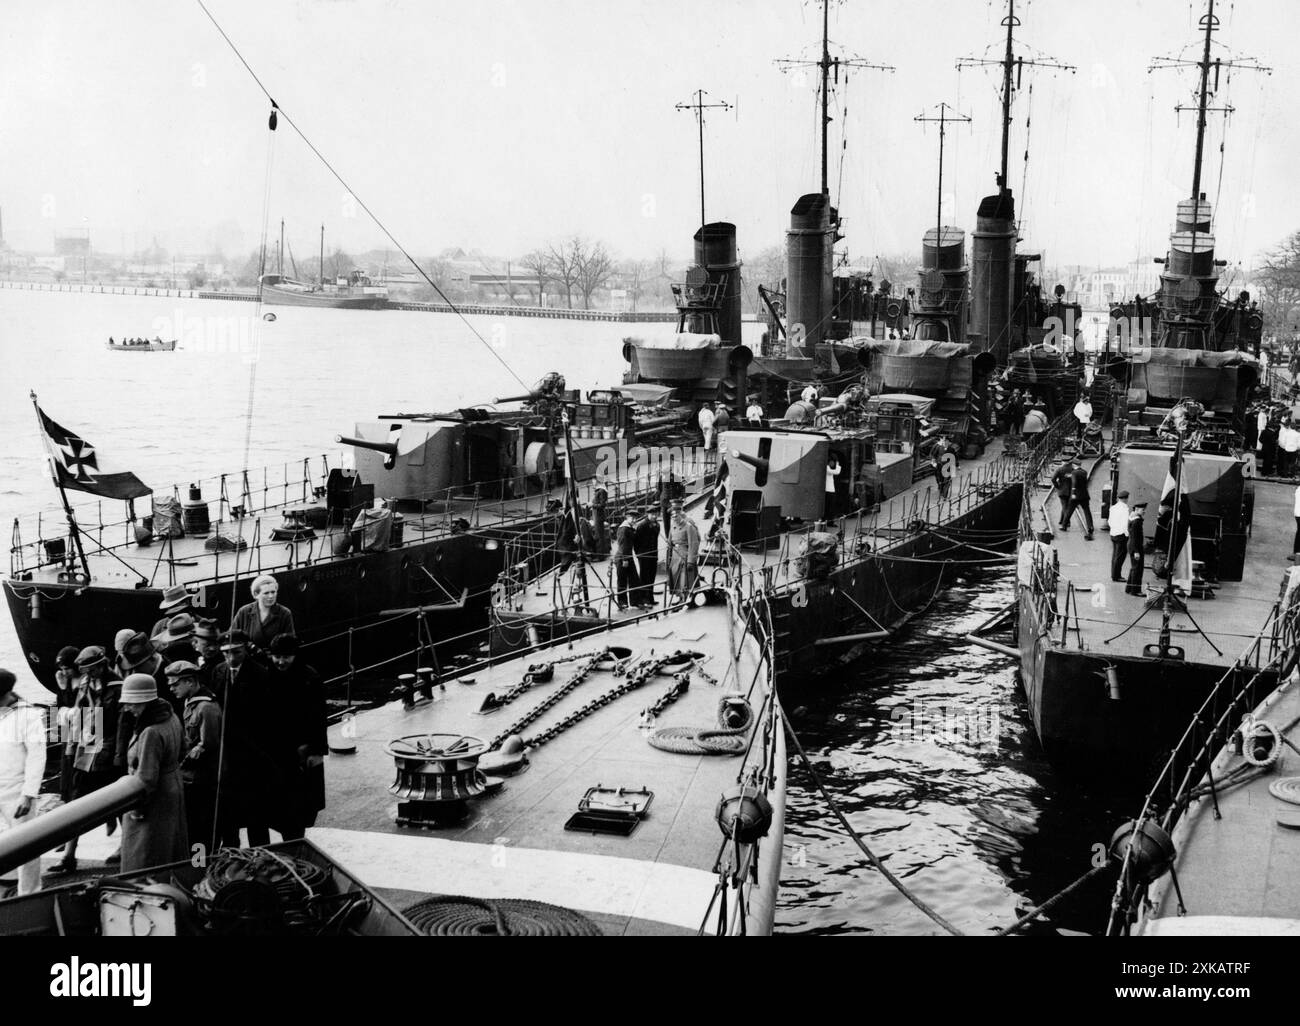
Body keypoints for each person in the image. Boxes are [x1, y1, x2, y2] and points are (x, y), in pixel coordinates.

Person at [48, 646, 123, 875]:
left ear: (102, 665)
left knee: (119, 802)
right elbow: (75, 713)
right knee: (76, 801)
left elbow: (123, 724)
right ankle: (69, 856)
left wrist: (120, 755)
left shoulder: (118, 688)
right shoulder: (85, 685)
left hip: (109, 750)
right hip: (87, 747)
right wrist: (70, 746)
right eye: (85, 671)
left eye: (92, 670)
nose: (88, 675)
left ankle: (123, 847)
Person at [119, 672, 188, 873]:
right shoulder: (171, 716)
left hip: (154, 800)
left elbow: (147, 779)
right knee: (170, 849)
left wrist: (136, 808)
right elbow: (184, 748)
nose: (128, 708)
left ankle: (146, 892)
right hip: (172, 788)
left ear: (145, 702)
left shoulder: (149, 731)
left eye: (132, 703)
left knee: (144, 856)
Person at [267, 636, 327, 834]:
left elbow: (319, 718)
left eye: (286, 657)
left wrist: (316, 750)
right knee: (283, 806)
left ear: (295, 655)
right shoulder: (268, 675)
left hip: (303, 750)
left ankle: (295, 838)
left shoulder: (310, 678)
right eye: (276, 657)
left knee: (302, 806)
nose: (281, 662)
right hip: (278, 750)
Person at [0, 668, 48, 896]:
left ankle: (29, 894)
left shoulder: (28, 715)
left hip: (17, 790)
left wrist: (29, 794)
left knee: (26, 847)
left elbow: (37, 755)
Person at [231, 574, 296, 652]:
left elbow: (289, 642)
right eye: (266, 593)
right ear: (256, 594)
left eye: (273, 592)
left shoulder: (285, 613)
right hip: (249, 658)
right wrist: (251, 646)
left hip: (274, 659)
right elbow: (232, 636)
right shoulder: (244, 612)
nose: (271, 596)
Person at [666, 502, 700, 602]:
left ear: (680, 514)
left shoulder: (688, 526)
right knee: (675, 576)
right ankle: (680, 597)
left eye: (676, 515)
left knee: (685, 579)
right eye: (672, 516)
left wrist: (690, 561)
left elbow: (694, 544)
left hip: (684, 555)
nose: (674, 517)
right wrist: (669, 558)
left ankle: (686, 599)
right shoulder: (672, 526)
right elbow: (669, 543)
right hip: (675, 556)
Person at [632, 510, 660, 608]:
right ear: (648, 514)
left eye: (656, 514)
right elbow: (636, 542)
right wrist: (639, 554)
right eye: (652, 514)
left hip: (653, 555)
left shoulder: (657, 525)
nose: (654, 516)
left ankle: (650, 598)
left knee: (652, 577)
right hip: (644, 555)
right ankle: (644, 599)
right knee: (644, 577)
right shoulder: (642, 525)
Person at [612, 512, 640, 611]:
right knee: (622, 580)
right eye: (632, 518)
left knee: (634, 579)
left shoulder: (629, 527)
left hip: (628, 556)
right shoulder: (623, 529)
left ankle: (634, 601)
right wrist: (625, 559)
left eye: (635, 518)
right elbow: (623, 545)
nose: (634, 520)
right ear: (627, 518)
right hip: (622, 558)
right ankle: (622, 602)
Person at [1126, 502, 1148, 596]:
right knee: (1138, 569)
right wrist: (1136, 551)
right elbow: (1135, 537)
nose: (1144, 511)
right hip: (1136, 547)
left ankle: (1129, 587)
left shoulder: (1132, 517)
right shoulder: (1137, 521)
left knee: (1134, 568)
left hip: (1132, 545)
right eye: (1143, 510)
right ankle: (1135, 590)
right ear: (1137, 509)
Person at [1109, 490, 1131, 582]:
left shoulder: (1113, 507)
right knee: (1120, 556)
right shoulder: (1124, 508)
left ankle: (1114, 574)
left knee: (1115, 555)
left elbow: (1110, 521)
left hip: (1113, 533)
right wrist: (1127, 534)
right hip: (1121, 535)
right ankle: (1116, 576)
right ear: (1126, 499)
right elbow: (1125, 523)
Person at [825, 454, 842, 519]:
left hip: (830, 489)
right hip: (828, 490)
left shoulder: (827, 467)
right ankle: (829, 520)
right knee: (830, 506)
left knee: (830, 506)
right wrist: (837, 465)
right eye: (832, 462)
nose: (833, 463)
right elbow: (837, 472)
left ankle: (829, 520)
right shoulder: (827, 468)